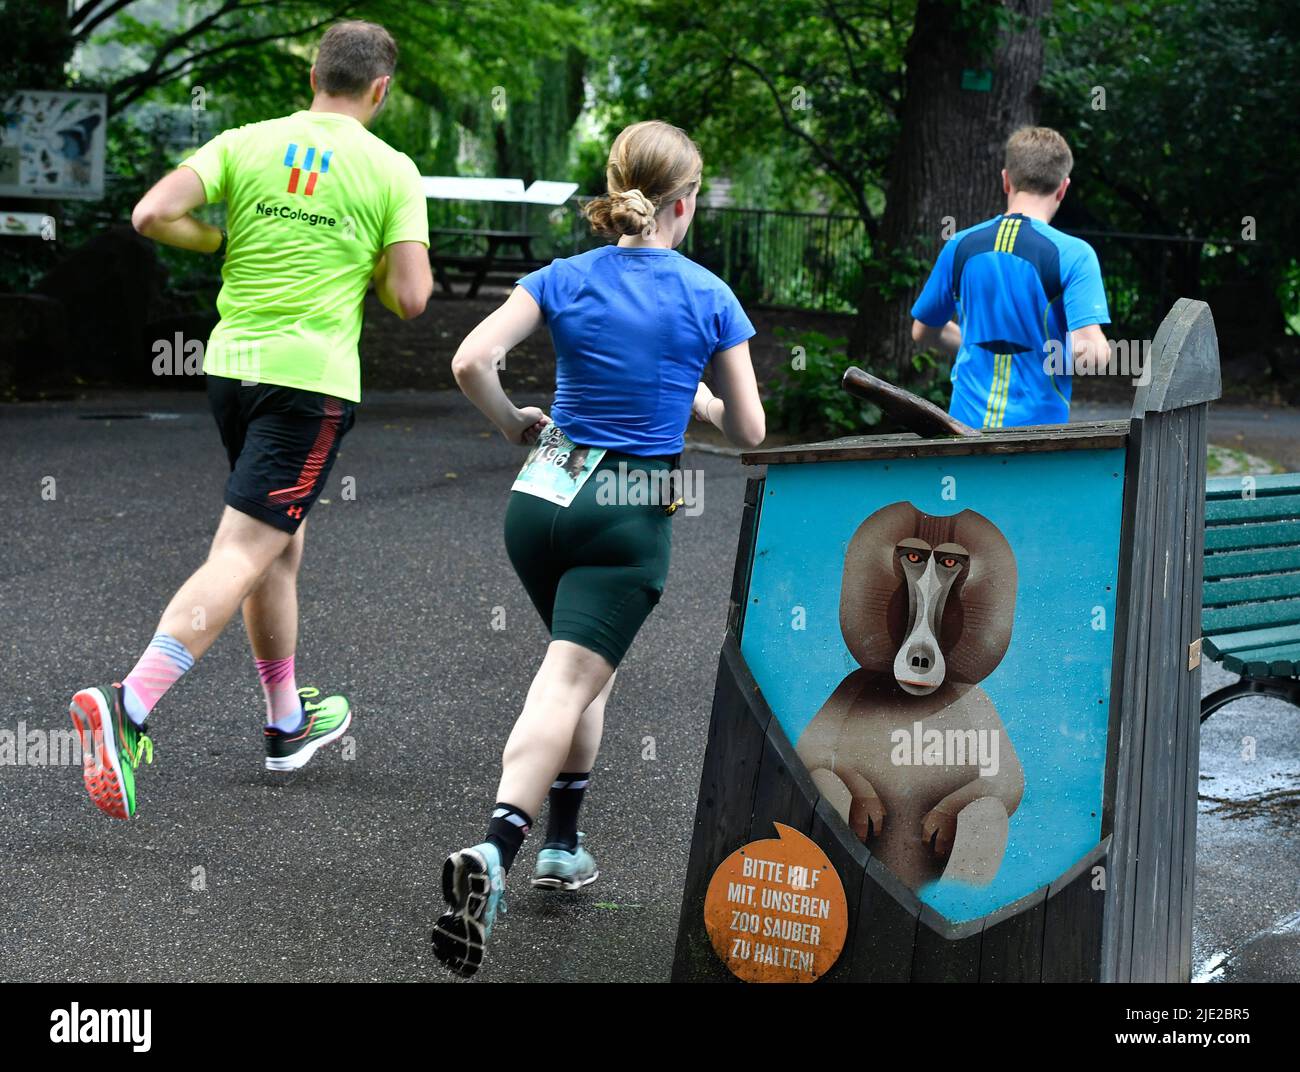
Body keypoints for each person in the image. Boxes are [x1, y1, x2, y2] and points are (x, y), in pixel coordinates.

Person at [68, 20, 432, 820]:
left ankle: (286, 723)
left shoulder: (246, 141)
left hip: (233, 371)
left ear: (312, 76)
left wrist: (215, 242)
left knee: (278, 543)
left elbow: (151, 215)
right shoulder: (391, 169)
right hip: (311, 384)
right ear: (380, 89)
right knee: (242, 551)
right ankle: (128, 705)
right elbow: (411, 297)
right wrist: (366, 258)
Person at [433, 119, 766, 977]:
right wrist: (700, 404)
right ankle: (497, 849)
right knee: (566, 680)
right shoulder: (708, 295)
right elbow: (753, 430)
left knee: (585, 669)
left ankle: (563, 848)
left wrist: (513, 424)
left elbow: (473, 359)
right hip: (627, 506)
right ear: (684, 204)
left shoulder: (562, 277)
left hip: (540, 499)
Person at [910, 126, 1111, 429]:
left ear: (1006, 180)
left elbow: (923, 332)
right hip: (1037, 438)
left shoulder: (959, 246)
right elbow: (1090, 355)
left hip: (962, 432)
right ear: (1063, 188)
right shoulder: (1075, 254)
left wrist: (980, 342)